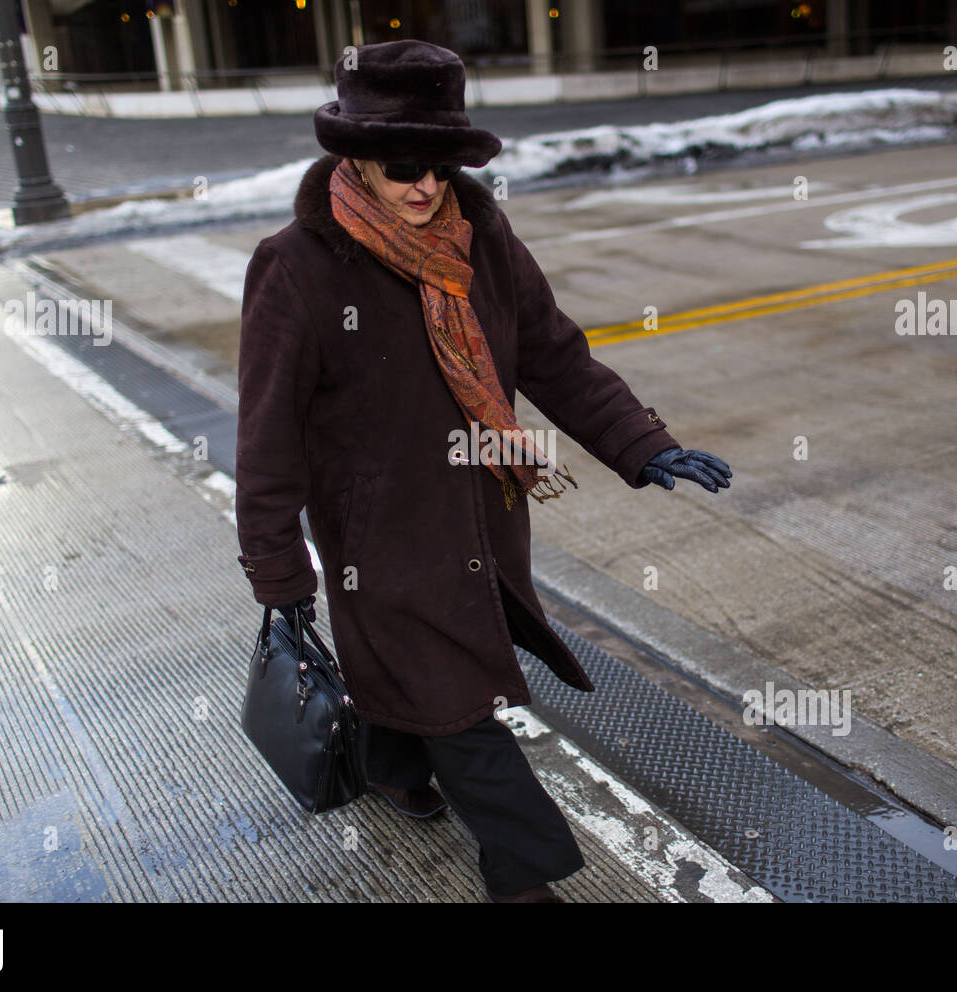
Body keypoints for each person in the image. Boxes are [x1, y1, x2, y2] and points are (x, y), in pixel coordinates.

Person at [234, 39, 732, 903]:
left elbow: (551, 353)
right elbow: (267, 437)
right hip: (378, 541)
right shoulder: (296, 266)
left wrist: (639, 443)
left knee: (429, 684)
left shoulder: (481, 233)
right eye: (401, 165)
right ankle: (522, 869)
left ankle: (390, 763)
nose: (425, 185)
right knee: (461, 709)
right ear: (352, 154)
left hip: (484, 516)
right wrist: (280, 574)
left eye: (442, 162)